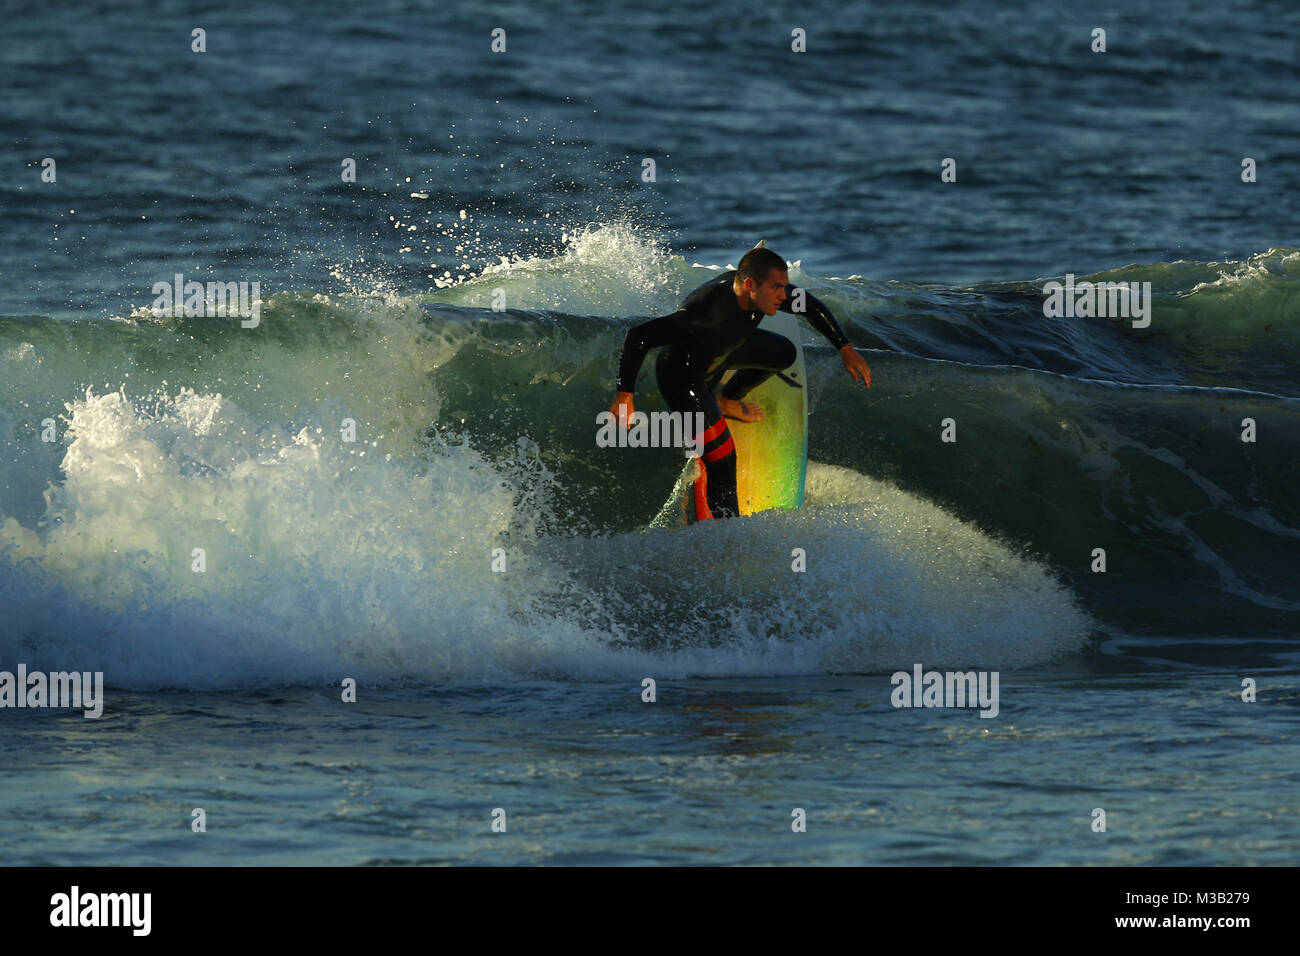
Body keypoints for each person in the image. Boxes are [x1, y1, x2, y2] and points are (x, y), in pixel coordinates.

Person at [609, 245, 871, 519]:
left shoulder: (760, 294)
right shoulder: (704, 315)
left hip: (724, 351)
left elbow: (810, 306)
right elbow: (639, 337)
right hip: (684, 379)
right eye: (776, 289)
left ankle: (727, 399)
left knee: (784, 353)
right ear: (748, 285)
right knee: (723, 461)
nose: (784, 297)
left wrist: (845, 349)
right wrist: (625, 395)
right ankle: (727, 534)